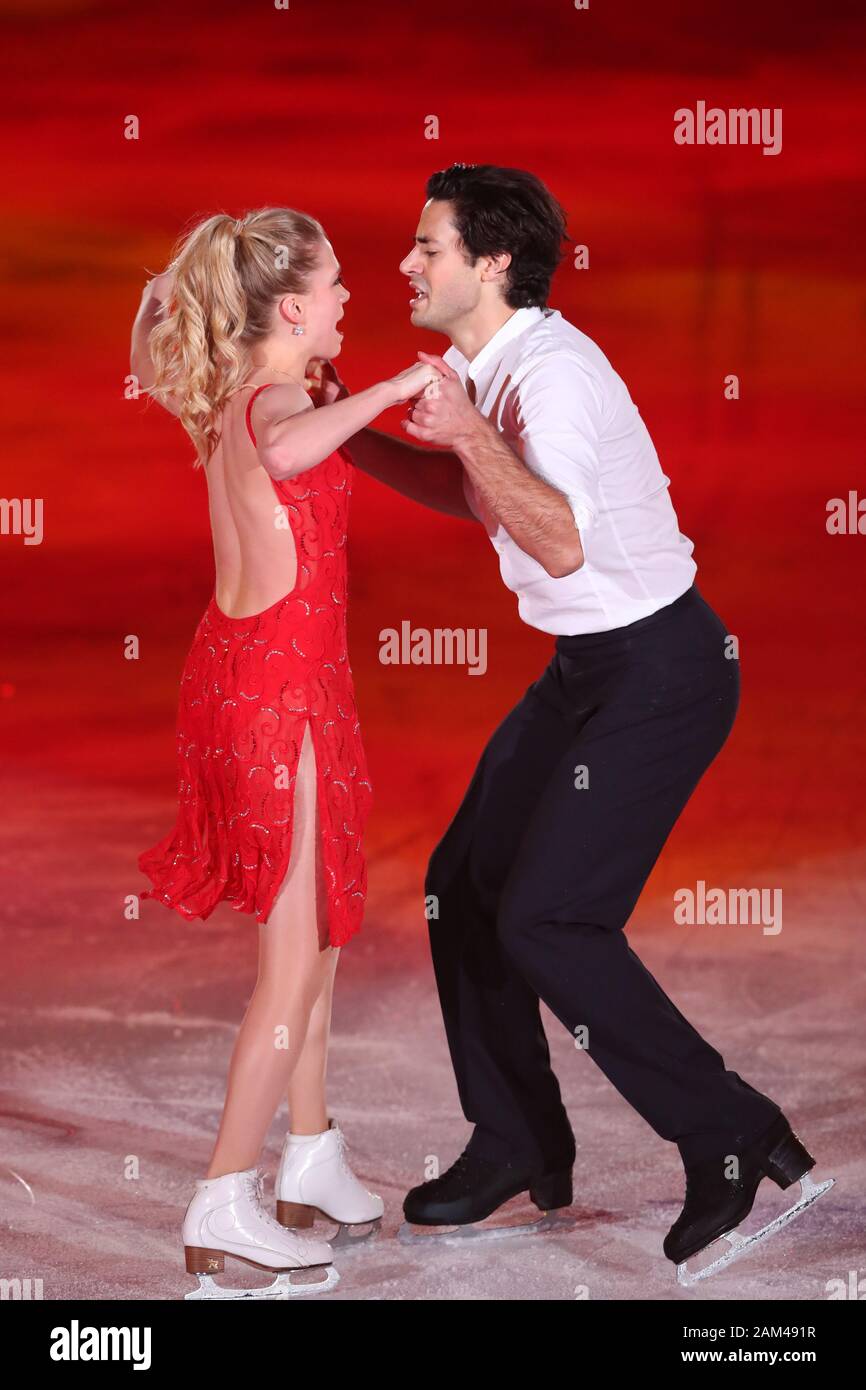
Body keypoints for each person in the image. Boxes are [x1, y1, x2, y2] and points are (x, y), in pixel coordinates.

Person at [340, 164, 823, 1276]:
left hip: (659, 674)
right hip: (589, 669)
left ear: (490, 261)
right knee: (461, 888)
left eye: (428, 247)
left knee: (549, 921)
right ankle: (517, 1139)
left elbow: (554, 538)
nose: (407, 265)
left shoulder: (548, 376)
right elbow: (479, 492)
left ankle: (731, 1133)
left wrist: (464, 431)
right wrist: (345, 428)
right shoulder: (492, 366)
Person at [131, 207, 440, 1294]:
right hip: (274, 700)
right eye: (338, 284)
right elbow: (286, 445)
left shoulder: (257, 388)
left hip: (267, 679)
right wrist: (394, 390)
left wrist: (350, 392)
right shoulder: (266, 403)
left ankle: (308, 1155)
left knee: (320, 938)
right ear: (294, 306)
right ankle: (223, 1202)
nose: (353, 297)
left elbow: (282, 427)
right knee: (291, 959)